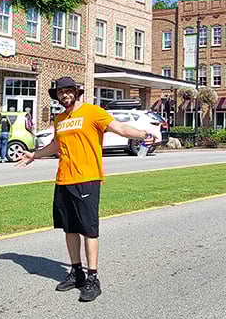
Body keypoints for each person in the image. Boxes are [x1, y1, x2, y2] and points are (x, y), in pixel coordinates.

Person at [17, 76, 155, 302]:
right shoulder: (60, 118)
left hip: (87, 179)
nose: (64, 95)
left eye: (68, 91)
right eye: (61, 92)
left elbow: (119, 128)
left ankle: (93, 278)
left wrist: (144, 134)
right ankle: (77, 272)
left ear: (76, 92)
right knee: (69, 229)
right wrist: (35, 155)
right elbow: (56, 145)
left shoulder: (93, 112)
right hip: (63, 180)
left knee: (89, 230)